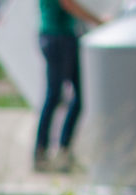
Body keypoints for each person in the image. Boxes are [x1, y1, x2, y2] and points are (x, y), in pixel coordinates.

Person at [36, 0, 105, 173]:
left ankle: (56, 151)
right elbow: (68, 4)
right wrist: (98, 21)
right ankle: (47, 152)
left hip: (58, 35)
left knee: (65, 97)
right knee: (57, 97)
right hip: (59, 37)